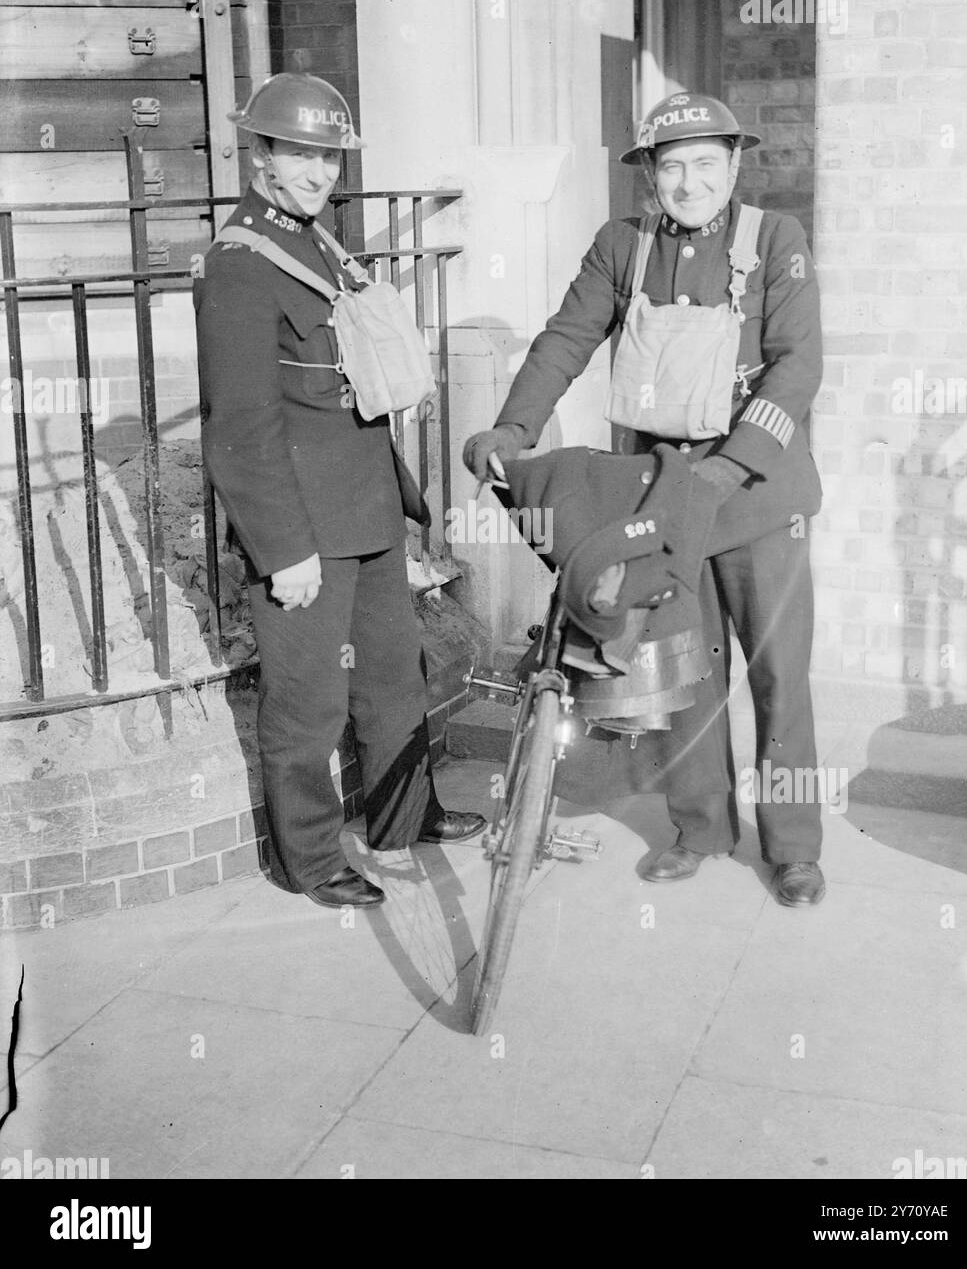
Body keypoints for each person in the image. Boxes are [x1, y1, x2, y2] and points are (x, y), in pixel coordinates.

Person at [463, 90, 825, 907]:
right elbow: (565, 339)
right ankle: (699, 827)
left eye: (705, 164)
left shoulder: (776, 242)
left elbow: (799, 366)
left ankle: (794, 845)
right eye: (671, 166)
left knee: (779, 675)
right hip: (659, 502)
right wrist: (514, 427)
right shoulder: (620, 247)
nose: (689, 183)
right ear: (648, 177)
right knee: (682, 672)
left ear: (734, 166)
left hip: (761, 497)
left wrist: (731, 468)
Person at [195, 72, 484, 911]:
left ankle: (403, 816)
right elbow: (240, 428)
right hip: (306, 530)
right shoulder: (242, 265)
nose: (320, 171)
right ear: (261, 156)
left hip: (364, 511)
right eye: (302, 153)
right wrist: (283, 553)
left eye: (329, 155)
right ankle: (311, 859)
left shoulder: (317, 242)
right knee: (308, 706)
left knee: (393, 680)